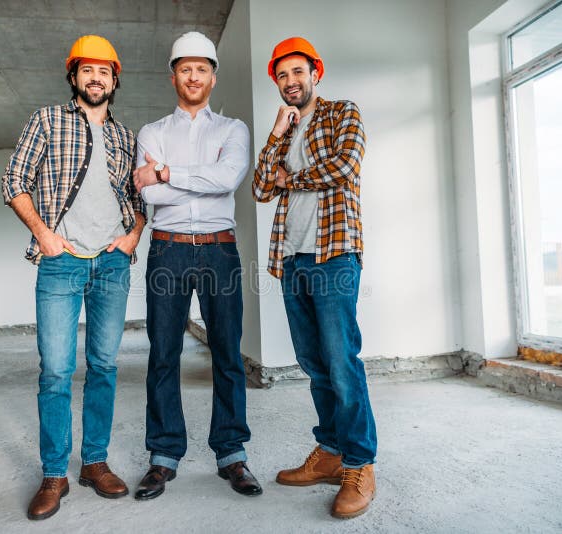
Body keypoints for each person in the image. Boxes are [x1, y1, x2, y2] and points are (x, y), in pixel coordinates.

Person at [1, 34, 146, 520]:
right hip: (60, 260)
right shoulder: (47, 120)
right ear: (73, 76)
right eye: (87, 70)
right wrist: (43, 233)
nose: (96, 78)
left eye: (105, 71)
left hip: (111, 262)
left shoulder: (127, 138)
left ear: (115, 80)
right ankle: (55, 473)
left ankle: (96, 462)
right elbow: (13, 180)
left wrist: (133, 236)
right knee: (57, 371)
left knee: (104, 366)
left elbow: (140, 199)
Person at [131, 31, 261, 500]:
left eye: (201, 68)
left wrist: (166, 172)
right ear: (173, 76)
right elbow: (149, 195)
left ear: (212, 75)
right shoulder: (152, 133)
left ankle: (231, 455)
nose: (193, 76)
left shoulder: (233, 130)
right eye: (185, 68)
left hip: (219, 249)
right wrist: (194, 183)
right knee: (163, 353)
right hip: (167, 249)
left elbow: (228, 179)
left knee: (227, 353)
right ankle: (163, 457)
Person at [252, 36, 377, 519]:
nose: (290, 82)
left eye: (297, 72)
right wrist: (277, 135)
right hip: (293, 259)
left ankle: (361, 463)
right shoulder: (285, 128)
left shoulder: (342, 111)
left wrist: (291, 178)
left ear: (315, 74)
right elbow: (264, 187)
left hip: (334, 254)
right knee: (313, 361)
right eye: (282, 76)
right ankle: (329, 452)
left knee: (342, 360)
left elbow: (344, 165)